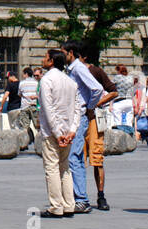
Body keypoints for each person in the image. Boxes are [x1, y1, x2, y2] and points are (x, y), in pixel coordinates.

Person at [63, 42, 104, 214]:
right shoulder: (72, 69)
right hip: (76, 116)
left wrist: (89, 107)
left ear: (71, 53)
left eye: (63, 52)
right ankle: (78, 196)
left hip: (80, 117)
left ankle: (81, 199)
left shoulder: (78, 68)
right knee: (76, 156)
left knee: (75, 156)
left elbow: (97, 88)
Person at [37, 49, 77, 218]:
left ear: (51, 61)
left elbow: (48, 108)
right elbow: (77, 109)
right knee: (65, 167)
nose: (43, 60)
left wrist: (56, 131)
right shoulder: (70, 81)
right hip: (67, 131)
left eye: (45, 57)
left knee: (52, 167)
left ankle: (56, 206)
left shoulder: (47, 80)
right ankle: (69, 204)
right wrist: (72, 130)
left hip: (52, 132)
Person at [85, 60, 118, 210]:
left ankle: (101, 195)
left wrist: (97, 104)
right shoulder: (71, 72)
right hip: (78, 119)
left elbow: (114, 91)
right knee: (76, 158)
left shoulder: (96, 71)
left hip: (94, 119)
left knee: (97, 157)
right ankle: (77, 195)